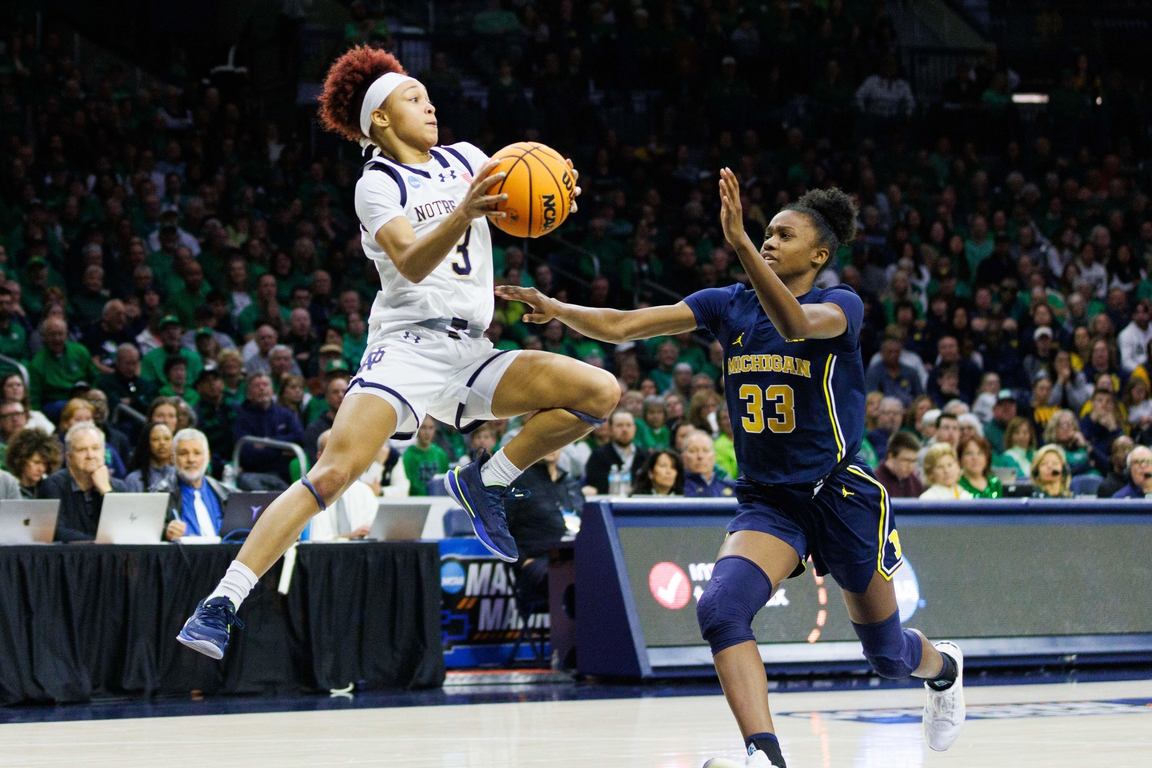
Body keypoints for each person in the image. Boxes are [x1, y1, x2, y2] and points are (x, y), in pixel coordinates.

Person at [498, 178, 965, 767]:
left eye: (782, 235)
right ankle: (764, 756)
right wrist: (559, 309)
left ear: (819, 255)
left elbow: (794, 323)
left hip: (842, 495)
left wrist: (740, 241)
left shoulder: (841, 305)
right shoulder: (727, 305)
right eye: (765, 233)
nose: (769, 241)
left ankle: (944, 667)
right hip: (771, 501)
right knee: (720, 610)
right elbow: (622, 326)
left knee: (887, 653)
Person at [179, 48, 615, 663]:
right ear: (378, 119)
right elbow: (410, 261)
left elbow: (525, 189)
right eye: (412, 97)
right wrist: (464, 211)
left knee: (600, 392)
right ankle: (223, 600)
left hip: (470, 347)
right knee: (333, 472)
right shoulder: (378, 183)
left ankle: (485, 479)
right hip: (407, 345)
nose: (430, 103)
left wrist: (558, 194)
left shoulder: (468, 159)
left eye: (428, 95)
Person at [43, 423, 128, 542]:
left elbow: (126, 530)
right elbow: (56, 531)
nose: (90, 455)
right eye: (82, 450)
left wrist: (106, 491)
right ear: (69, 457)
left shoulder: (118, 487)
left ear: (103, 453)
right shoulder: (54, 485)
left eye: (95, 448)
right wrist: (97, 544)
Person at [305, 430, 379, 541]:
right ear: (320, 457)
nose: (342, 459)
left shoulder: (364, 491)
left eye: (346, 452)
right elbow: (313, 543)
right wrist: (349, 537)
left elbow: (376, 534)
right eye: (335, 452)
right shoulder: (306, 493)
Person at [232, 373, 304, 481]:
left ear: (272, 391)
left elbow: (299, 438)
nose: (262, 388)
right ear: (248, 394)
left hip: (284, 474)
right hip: (255, 474)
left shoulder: (286, 414)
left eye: (265, 385)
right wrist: (281, 450)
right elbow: (246, 453)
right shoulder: (241, 418)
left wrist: (268, 442)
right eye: (257, 386)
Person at [164, 429, 233, 541]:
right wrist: (165, 531)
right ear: (173, 458)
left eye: (197, 453)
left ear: (208, 456)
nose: (191, 459)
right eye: (183, 453)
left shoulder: (228, 493)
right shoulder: (162, 495)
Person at [28, 316, 100, 416]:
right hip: (56, 403)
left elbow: (95, 376)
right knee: (70, 407)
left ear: (66, 334)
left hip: (83, 396)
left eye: (60, 334)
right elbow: (34, 396)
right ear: (44, 336)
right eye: (52, 334)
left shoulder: (80, 351)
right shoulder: (37, 363)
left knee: (100, 400)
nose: (57, 338)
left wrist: (92, 393)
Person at [584, 410, 649, 494]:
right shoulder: (598, 456)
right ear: (610, 429)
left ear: (634, 428)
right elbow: (596, 487)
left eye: (629, 425)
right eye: (620, 425)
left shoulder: (645, 456)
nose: (625, 430)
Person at [5, 428, 62, 498]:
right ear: (21, 460)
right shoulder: (8, 487)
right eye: (36, 462)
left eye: (45, 464)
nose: (41, 469)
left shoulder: (50, 488)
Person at [402, 415, 451, 496]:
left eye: (431, 428)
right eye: (423, 427)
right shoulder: (408, 455)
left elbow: (446, 483)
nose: (427, 432)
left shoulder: (440, 454)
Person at [124, 422, 177, 492]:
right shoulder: (134, 480)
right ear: (147, 443)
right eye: (155, 439)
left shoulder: (181, 476)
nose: (162, 443)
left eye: (167, 439)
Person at [682, 430, 736, 497]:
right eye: (693, 451)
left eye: (705, 451)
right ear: (683, 457)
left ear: (713, 457)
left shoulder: (732, 488)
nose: (700, 456)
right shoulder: (678, 487)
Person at [875, 431, 925, 498]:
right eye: (906, 460)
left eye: (913, 461)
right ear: (891, 456)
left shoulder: (914, 482)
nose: (910, 466)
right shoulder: (874, 481)